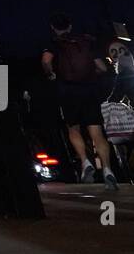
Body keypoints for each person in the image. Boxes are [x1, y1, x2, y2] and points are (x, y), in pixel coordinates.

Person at [41, 13, 117, 190]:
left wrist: (50, 73)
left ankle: (84, 161)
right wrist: (92, 76)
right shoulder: (86, 40)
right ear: (70, 26)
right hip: (89, 90)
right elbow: (102, 67)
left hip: (67, 92)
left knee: (73, 128)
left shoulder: (53, 43)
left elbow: (46, 61)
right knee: (96, 131)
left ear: (53, 27)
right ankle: (107, 169)